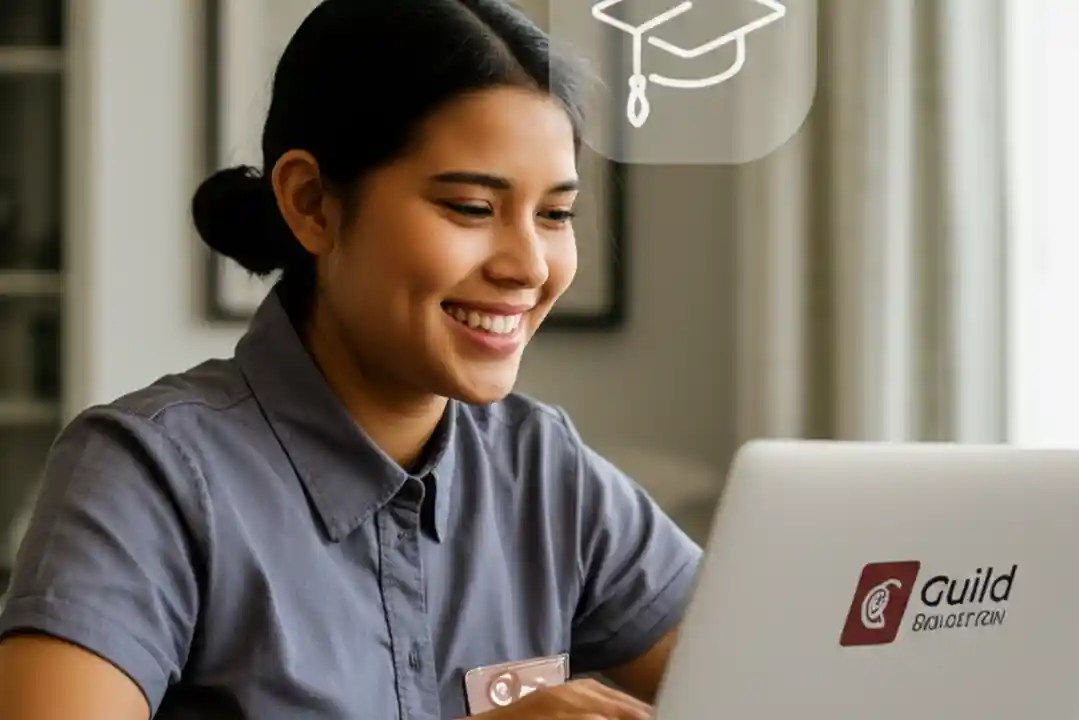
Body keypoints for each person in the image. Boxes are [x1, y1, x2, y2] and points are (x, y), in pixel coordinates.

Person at [0, 1, 702, 717]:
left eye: (554, 215)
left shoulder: (544, 469)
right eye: (469, 206)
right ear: (311, 203)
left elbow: (767, 671)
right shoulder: (147, 474)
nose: (529, 266)